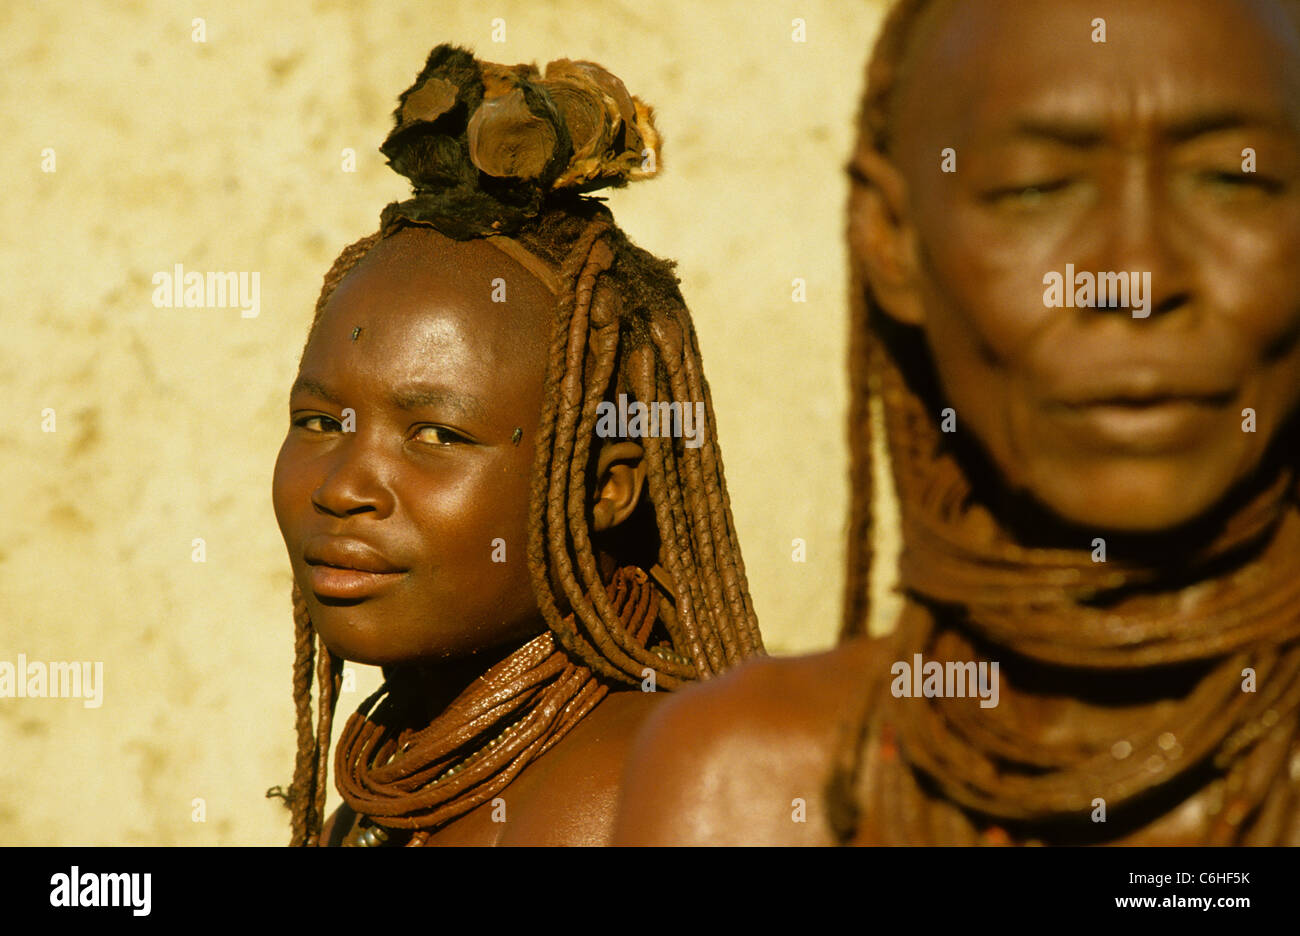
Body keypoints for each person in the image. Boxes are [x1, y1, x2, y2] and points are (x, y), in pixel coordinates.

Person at [613, 0, 1300, 845]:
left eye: (1235, 180)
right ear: (891, 237)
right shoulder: (747, 790)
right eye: (1037, 189)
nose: (1138, 275)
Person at [269, 44, 763, 846]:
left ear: (607, 488)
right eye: (321, 423)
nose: (344, 487)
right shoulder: (408, 783)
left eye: (436, 434)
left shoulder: (624, 803)